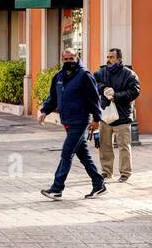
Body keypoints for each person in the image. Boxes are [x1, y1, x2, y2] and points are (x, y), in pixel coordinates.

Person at [39, 48, 108, 200]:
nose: (69, 62)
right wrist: (45, 111)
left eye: (72, 59)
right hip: (67, 121)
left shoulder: (84, 76)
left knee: (66, 153)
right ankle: (99, 184)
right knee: (83, 155)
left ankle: (57, 189)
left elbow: (94, 98)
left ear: (77, 58)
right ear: (62, 59)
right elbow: (54, 97)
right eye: (66, 59)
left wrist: (96, 119)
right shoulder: (59, 76)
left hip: (80, 120)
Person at [94, 47, 141, 183]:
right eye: (108, 57)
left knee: (124, 146)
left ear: (119, 59)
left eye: (111, 57)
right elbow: (93, 83)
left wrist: (116, 96)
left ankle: (125, 173)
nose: (108, 60)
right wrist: (103, 89)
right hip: (105, 115)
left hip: (122, 116)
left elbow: (135, 91)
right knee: (104, 146)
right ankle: (106, 172)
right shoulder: (101, 72)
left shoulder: (129, 74)